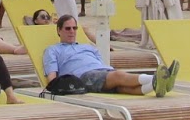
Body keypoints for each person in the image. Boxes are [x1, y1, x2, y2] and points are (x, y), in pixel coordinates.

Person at [41, 15, 177, 97]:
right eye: (67, 28)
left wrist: (87, 32)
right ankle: (158, 78)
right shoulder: (53, 50)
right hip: (81, 77)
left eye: (74, 28)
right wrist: (54, 90)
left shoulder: (88, 47)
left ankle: (156, 86)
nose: (72, 31)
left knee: (121, 88)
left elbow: (105, 58)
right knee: (118, 76)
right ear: (59, 30)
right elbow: (52, 78)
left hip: (101, 71)